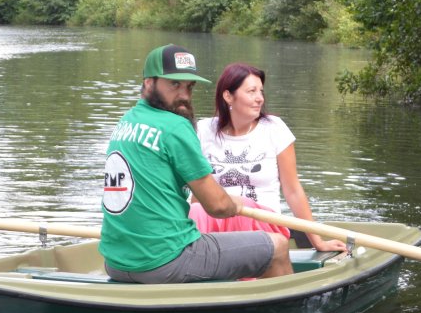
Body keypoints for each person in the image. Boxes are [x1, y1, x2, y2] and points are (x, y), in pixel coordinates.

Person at [99, 44, 293, 283]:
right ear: (149, 83)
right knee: (278, 246)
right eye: (174, 84)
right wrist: (237, 204)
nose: (184, 95)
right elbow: (218, 206)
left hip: (115, 262)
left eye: (189, 86)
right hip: (165, 261)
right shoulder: (175, 126)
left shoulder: (125, 122)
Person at [189, 63, 347, 253]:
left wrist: (317, 241)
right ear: (228, 96)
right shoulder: (204, 131)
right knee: (195, 212)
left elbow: (293, 190)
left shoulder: (274, 129)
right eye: (251, 91)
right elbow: (199, 193)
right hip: (217, 225)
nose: (260, 99)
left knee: (237, 204)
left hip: (263, 225)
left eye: (261, 92)